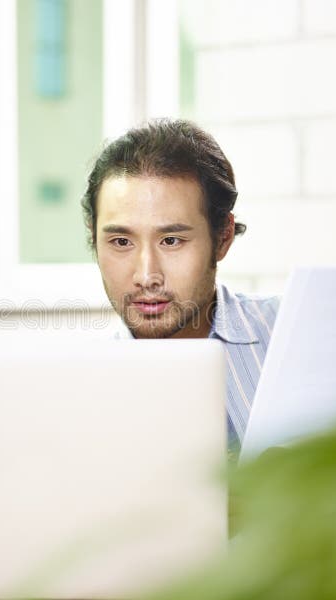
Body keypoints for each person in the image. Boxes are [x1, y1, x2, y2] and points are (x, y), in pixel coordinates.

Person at [81, 119, 278, 452]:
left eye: (171, 240)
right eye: (121, 242)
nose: (146, 276)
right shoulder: (79, 388)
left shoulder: (289, 333)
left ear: (223, 236)